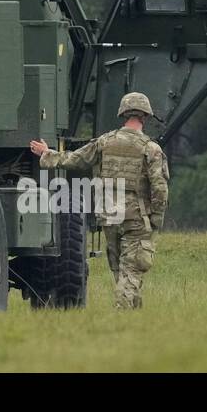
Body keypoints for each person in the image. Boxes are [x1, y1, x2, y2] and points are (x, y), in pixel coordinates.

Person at [28, 92, 169, 309]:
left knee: (122, 272)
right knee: (131, 271)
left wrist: (47, 154)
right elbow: (160, 189)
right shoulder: (151, 149)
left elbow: (74, 159)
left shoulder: (104, 142)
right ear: (146, 116)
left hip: (109, 215)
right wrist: (156, 220)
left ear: (123, 114)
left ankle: (135, 316)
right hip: (137, 218)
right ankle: (122, 316)